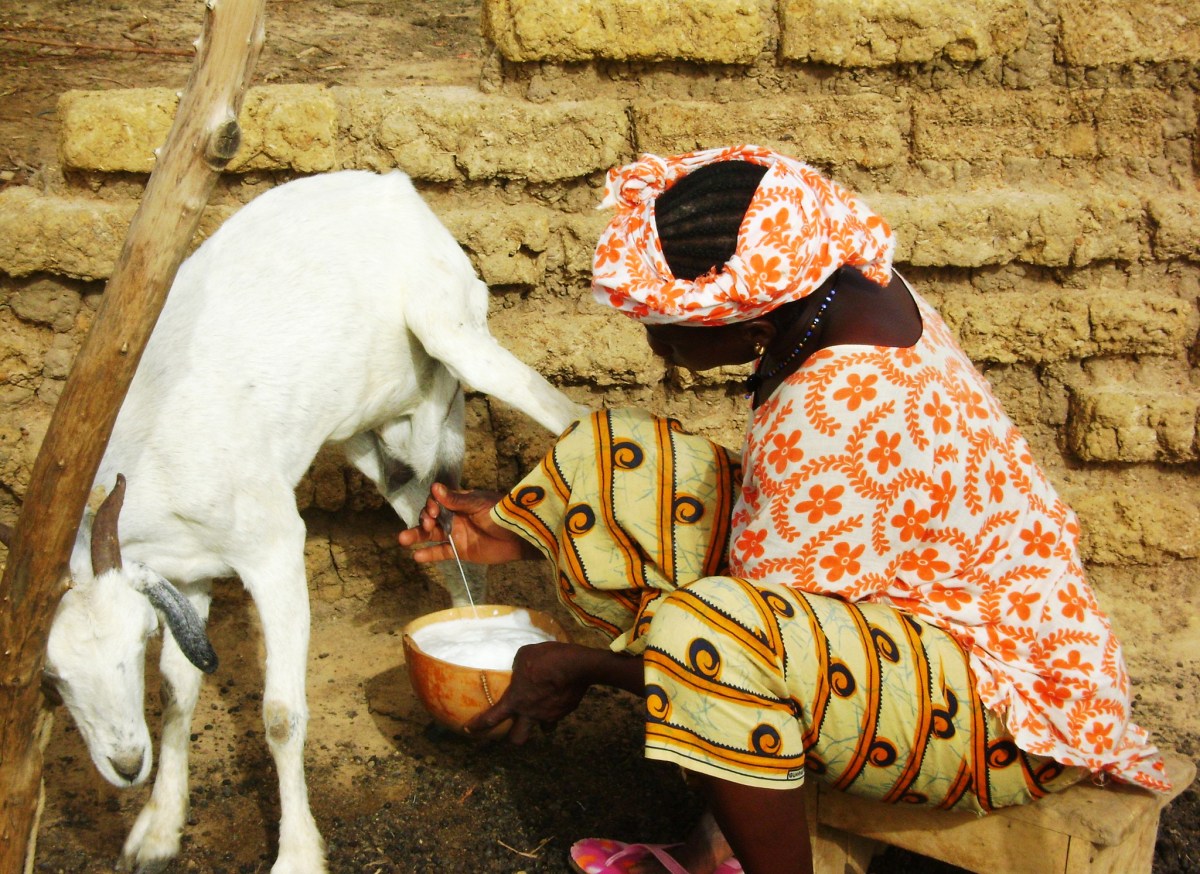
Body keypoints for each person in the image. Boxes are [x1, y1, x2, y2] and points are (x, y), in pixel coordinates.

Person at [399, 145, 1171, 874]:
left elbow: (730, 641)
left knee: (709, 631)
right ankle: (726, 830)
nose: (652, 343)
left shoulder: (832, 411)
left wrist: (580, 667)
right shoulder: (842, 285)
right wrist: (526, 524)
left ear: (756, 322)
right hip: (933, 621)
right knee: (609, 453)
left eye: (665, 326)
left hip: (1007, 718)